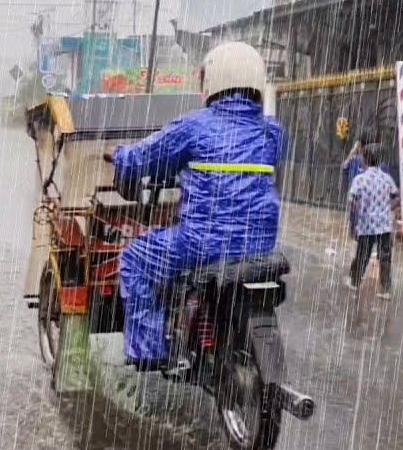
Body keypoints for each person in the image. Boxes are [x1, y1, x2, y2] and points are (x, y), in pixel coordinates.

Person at [108, 42, 284, 370]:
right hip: (259, 243)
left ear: (213, 80)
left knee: (133, 258)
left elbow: (145, 157)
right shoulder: (272, 132)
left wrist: (120, 157)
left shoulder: (194, 127)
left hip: (203, 243)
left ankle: (148, 351)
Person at [347, 143, 399, 299]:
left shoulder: (360, 179)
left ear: (365, 159)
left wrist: (360, 212)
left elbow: (353, 200)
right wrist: (387, 208)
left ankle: (355, 283)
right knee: (385, 257)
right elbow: (397, 197)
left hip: (366, 224)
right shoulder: (387, 178)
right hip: (384, 224)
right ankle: (385, 289)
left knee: (362, 254)